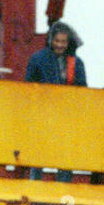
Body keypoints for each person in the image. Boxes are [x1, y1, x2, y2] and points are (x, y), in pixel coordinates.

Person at [24, 20, 87, 182]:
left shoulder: (77, 63)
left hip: (67, 117)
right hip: (42, 115)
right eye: (57, 41)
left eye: (64, 42)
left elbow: (83, 90)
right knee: (38, 153)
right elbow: (28, 87)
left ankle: (64, 185)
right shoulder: (37, 59)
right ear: (51, 40)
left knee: (66, 154)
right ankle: (35, 185)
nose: (60, 45)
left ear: (69, 42)